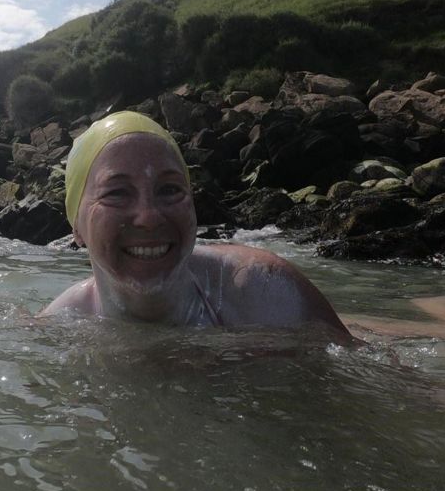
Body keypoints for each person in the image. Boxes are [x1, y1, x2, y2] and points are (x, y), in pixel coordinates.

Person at [42, 111, 357, 345]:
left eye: (169, 189)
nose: (149, 217)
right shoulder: (59, 331)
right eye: (117, 193)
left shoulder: (262, 291)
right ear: (76, 227)